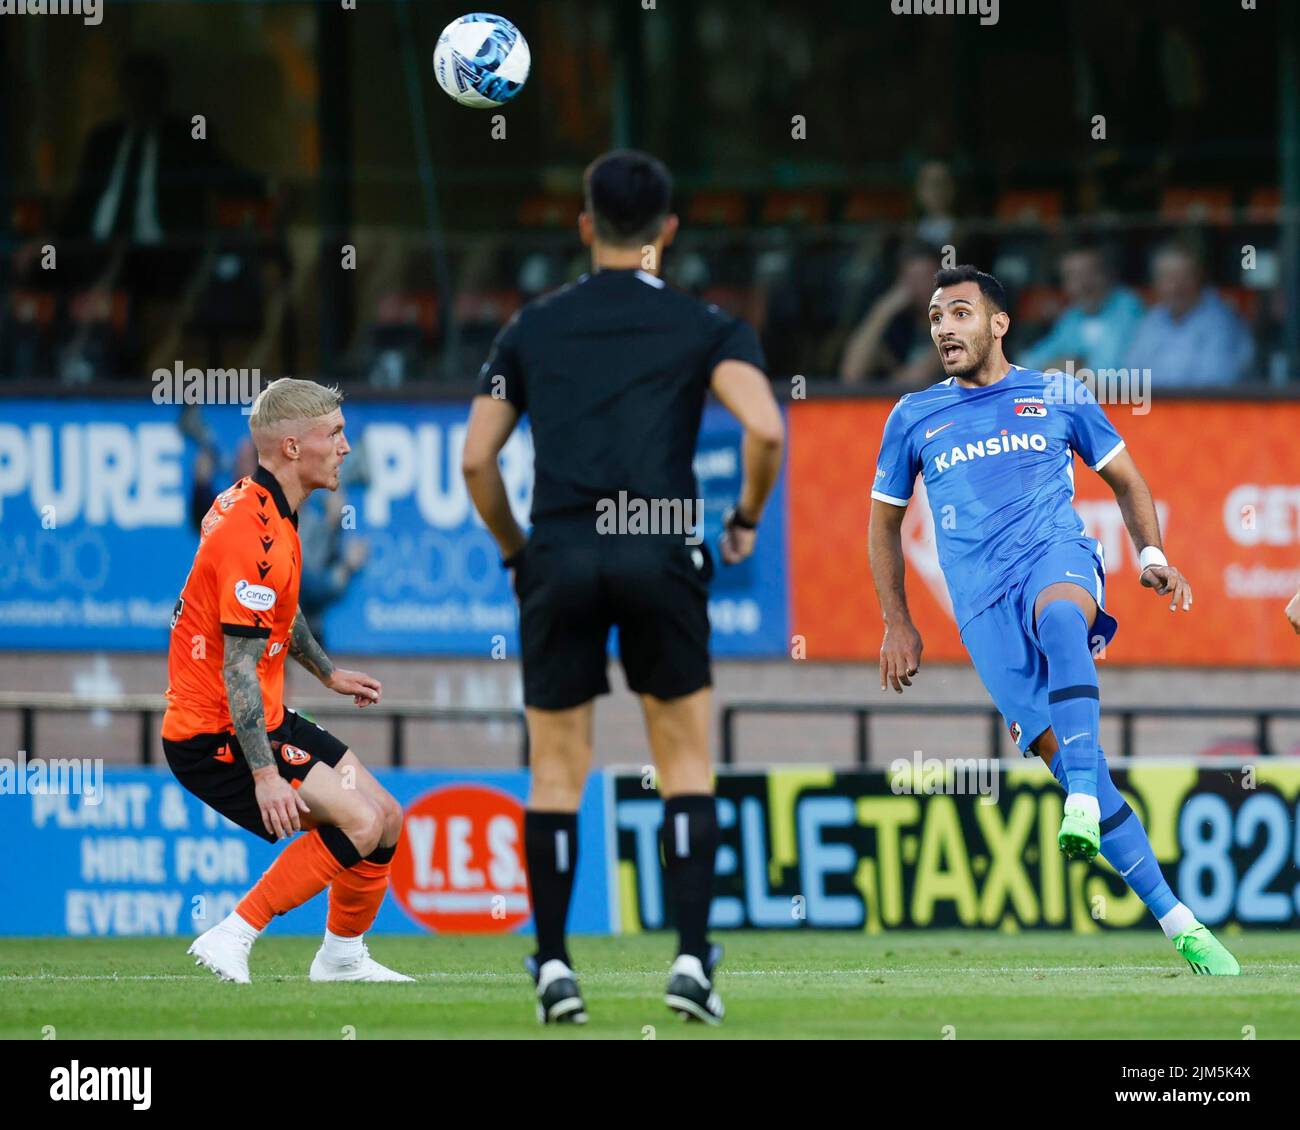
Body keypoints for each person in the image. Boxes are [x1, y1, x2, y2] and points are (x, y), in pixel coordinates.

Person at [462, 150, 785, 1024]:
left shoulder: (531, 327)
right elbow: (763, 428)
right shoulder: (704, 323)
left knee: (558, 773)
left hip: (560, 552)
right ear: (667, 232)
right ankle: (689, 960)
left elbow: (475, 458)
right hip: (659, 552)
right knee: (684, 763)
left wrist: (515, 552)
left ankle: (556, 967)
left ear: (584, 226)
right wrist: (746, 516)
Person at [868, 264, 1240, 976]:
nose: (944, 328)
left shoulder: (1058, 395)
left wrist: (1151, 551)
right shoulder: (913, 416)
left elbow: (1126, 478)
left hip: (1054, 554)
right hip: (980, 610)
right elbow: (883, 526)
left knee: (1064, 621)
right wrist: (898, 622)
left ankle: (1076, 805)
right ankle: (1182, 923)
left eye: (959, 314)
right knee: (1087, 771)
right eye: (936, 318)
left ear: (998, 323)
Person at [162, 378, 411, 984]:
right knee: (358, 821)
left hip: (261, 715)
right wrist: (266, 775)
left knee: (387, 816)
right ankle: (234, 933)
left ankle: (342, 958)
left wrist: (325, 672)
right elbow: (237, 665)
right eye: (335, 434)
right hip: (213, 731)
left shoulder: (270, 506)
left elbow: (282, 607)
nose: (346, 448)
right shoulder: (254, 533)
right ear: (295, 447)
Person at [1125, 240, 1253, 386]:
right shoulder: (1152, 321)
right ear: (1156, 283)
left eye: (1184, 277)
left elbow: (1214, 386)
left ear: (1200, 279)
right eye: (1168, 278)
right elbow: (1131, 377)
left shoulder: (1221, 322)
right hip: (1152, 407)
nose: (1176, 286)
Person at [1020, 244, 1145, 374]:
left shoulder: (1127, 307)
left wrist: (1074, 367)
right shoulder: (1072, 315)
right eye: (1073, 277)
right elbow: (1029, 361)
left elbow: (1113, 370)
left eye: (1090, 274)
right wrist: (1068, 366)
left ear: (1108, 275)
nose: (1083, 284)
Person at [840, 242, 944, 386]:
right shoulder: (898, 323)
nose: (919, 286)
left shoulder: (957, 325)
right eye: (911, 278)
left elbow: (912, 381)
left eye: (926, 277)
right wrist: (882, 310)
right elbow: (851, 373)